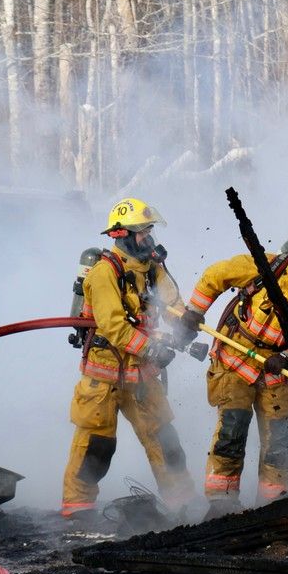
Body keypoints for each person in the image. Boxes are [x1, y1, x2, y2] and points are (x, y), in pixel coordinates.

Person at [181, 233, 288, 512]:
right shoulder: (264, 268)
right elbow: (216, 275)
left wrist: (286, 357)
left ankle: (274, 505)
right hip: (236, 358)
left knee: (281, 439)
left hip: (278, 371)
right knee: (232, 430)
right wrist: (194, 312)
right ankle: (221, 502)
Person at [61, 198, 195, 520]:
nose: (149, 239)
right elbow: (114, 326)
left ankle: (184, 505)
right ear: (122, 235)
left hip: (142, 375)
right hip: (104, 376)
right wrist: (151, 349)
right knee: (96, 446)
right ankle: (77, 509)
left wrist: (186, 322)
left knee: (166, 442)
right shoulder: (104, 273)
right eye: (143, 232)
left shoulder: (152, 268)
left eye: (150, 231)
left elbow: (172, 302)